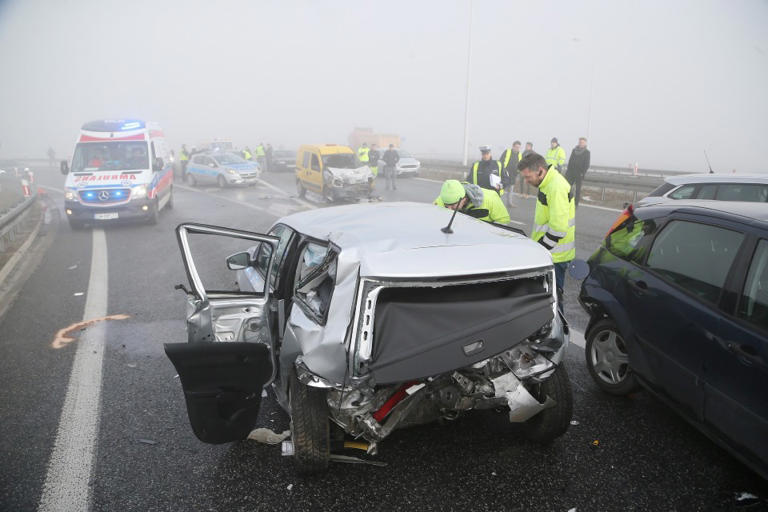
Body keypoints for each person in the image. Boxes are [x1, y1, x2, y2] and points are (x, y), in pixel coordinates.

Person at [518, 152, 575, 311]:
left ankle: (559, 334)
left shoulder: (555, 187)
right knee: (547, 300)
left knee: (553, 302)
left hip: (555, 255)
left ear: (541, 171)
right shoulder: (547, 184)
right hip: (551, 254)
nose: (526, 181)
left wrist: (539, 251)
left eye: (528, 177)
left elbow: (558, 229)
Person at [434, 179, 510, 224]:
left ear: (464, 199)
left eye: (453, 205)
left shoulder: (491, 198)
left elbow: (503, 221)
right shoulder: (442, 199)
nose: (449, 210)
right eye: (446, 206)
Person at [565, 137, 591, 208]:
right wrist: (568, 170)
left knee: (577, 189)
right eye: (580, 142)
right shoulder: (574, 150)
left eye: (582, 142)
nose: (580, 143)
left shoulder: (587, 152)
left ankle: (576, 203)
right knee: (567, 187)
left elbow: (587, 164)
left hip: (579, 173)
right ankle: (567, 200)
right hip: (570, 172)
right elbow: (570, 161)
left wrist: (583, 172)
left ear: (585, 143)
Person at [499, 141, 522, 207]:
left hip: (513, 175)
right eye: (516, 147)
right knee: (502, 189)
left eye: (519, 147)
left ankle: (509, 203)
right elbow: (501, 161)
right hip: (505, 173)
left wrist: (518, 172)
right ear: (513, 146)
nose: (517, 148)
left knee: (511, 189)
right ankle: (497, 202)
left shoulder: (520, 154)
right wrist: (502, 170)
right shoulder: (507, 152)